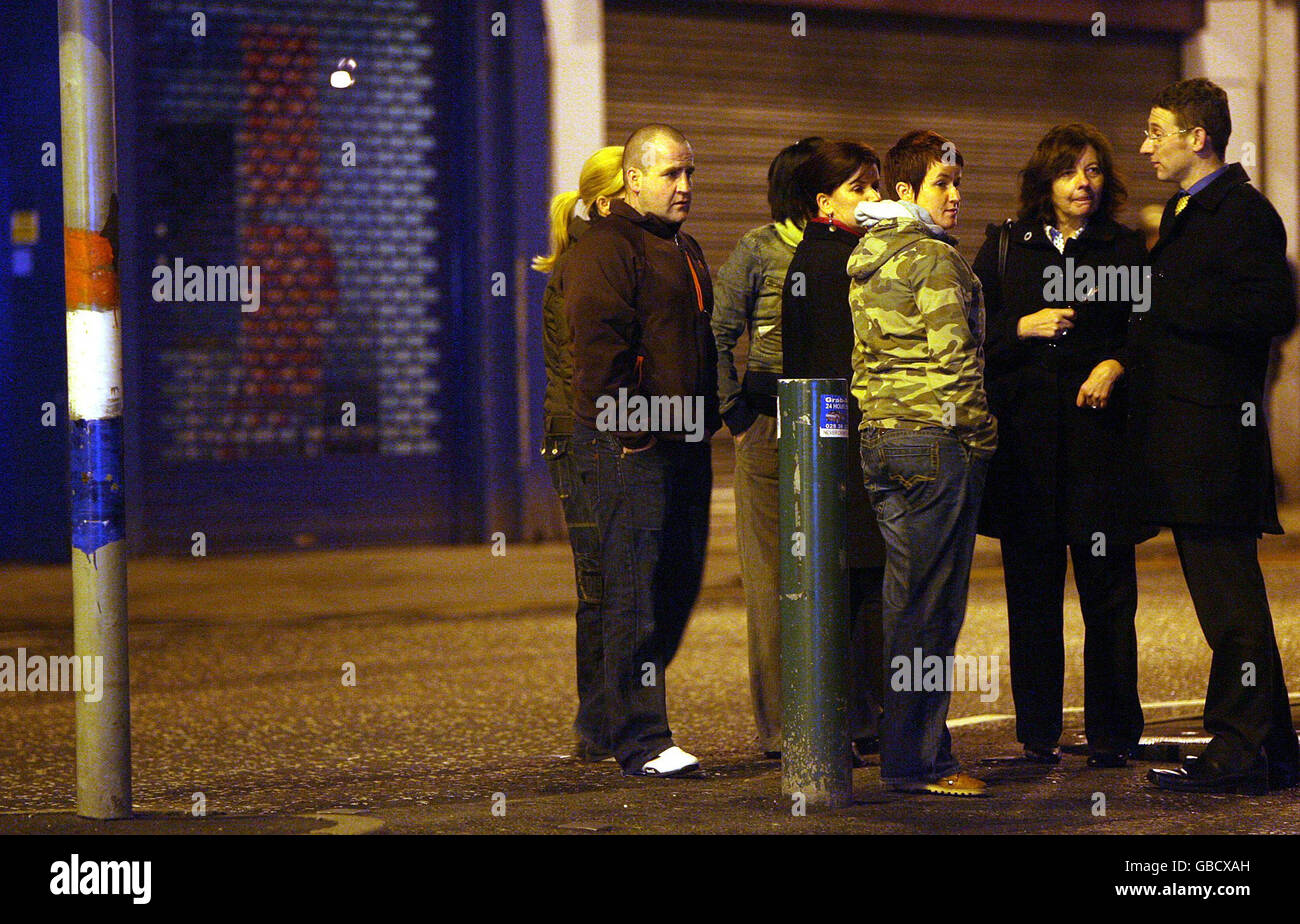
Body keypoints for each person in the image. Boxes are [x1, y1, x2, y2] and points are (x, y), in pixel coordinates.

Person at [1126, 78, 1299, 794]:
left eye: (1157, 130)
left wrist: (1164, 299)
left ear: (1197, 138)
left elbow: (1270, 308)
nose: (1145, 145)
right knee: (1229, 596)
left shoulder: (1243, 214)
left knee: (1230, 603)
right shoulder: (1191, 209)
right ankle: (1276, 746)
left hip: (1216, 438)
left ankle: (1239, 745)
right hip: (1189, 435)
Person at [971, 124, 1150, 769]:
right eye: (1072, 171)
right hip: (1026, 453)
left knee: (1108, 596)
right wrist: (1023, 325)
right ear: (1044, 180)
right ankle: (1038, 732)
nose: (1085, 183)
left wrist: (1115, 364)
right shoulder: (1005, 246)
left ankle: (1112, 734)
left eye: (1096, 170)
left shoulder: (1123, 248)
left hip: (1101, 450)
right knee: (1032, 597)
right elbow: (967, 336)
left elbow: (1148, 330)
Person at [566, 124, 720, 777]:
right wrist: (640, 433)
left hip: (684, 442)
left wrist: (709, 417)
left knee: (676, 587)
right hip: (634, 448)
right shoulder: (606, 248)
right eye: (669, 174)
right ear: (633, 178)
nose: (683, 186)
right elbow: (598, 359)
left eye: (689, 173)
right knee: (637, 593)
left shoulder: (682, 247)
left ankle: (606, 723)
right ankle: (643, 739)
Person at [847, 130, 996, 796]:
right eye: (942, 183)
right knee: (930, 612)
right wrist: (981, 434)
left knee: (907, 604)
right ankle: (919, 761)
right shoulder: (931, 260)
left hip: (882, 438)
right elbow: (955, 361)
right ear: (906, 192)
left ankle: (915, 748)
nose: (955, 195)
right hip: (934, 442)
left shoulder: (868, 258)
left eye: (958, 182)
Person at [712, 137, 823, 758]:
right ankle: (781, 729)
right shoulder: (759, 248)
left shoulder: (847, 245)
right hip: (770, 423)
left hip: (834, 422)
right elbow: (719, 332)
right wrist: (735, 412)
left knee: (839, 573)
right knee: (773, 580)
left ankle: (842, 715)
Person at [781, 139, 888, 761]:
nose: (873, 199)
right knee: (857, 586)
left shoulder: (825, 254)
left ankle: (850, 720)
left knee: (853, 583)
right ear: (825, 201)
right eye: (860, 188)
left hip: (836, 444)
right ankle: (852, 722)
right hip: (845, 444)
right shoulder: (831, 262)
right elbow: (832, 365)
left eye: (875, 186)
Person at [531, 145, 625, 763]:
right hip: (585, 436)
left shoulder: (607, 256)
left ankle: (612, 721)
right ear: (606, 201)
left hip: (596, 433)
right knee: (602, 585)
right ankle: (599, 726)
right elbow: (592, 368)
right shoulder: (587, 266)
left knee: (617, 582)